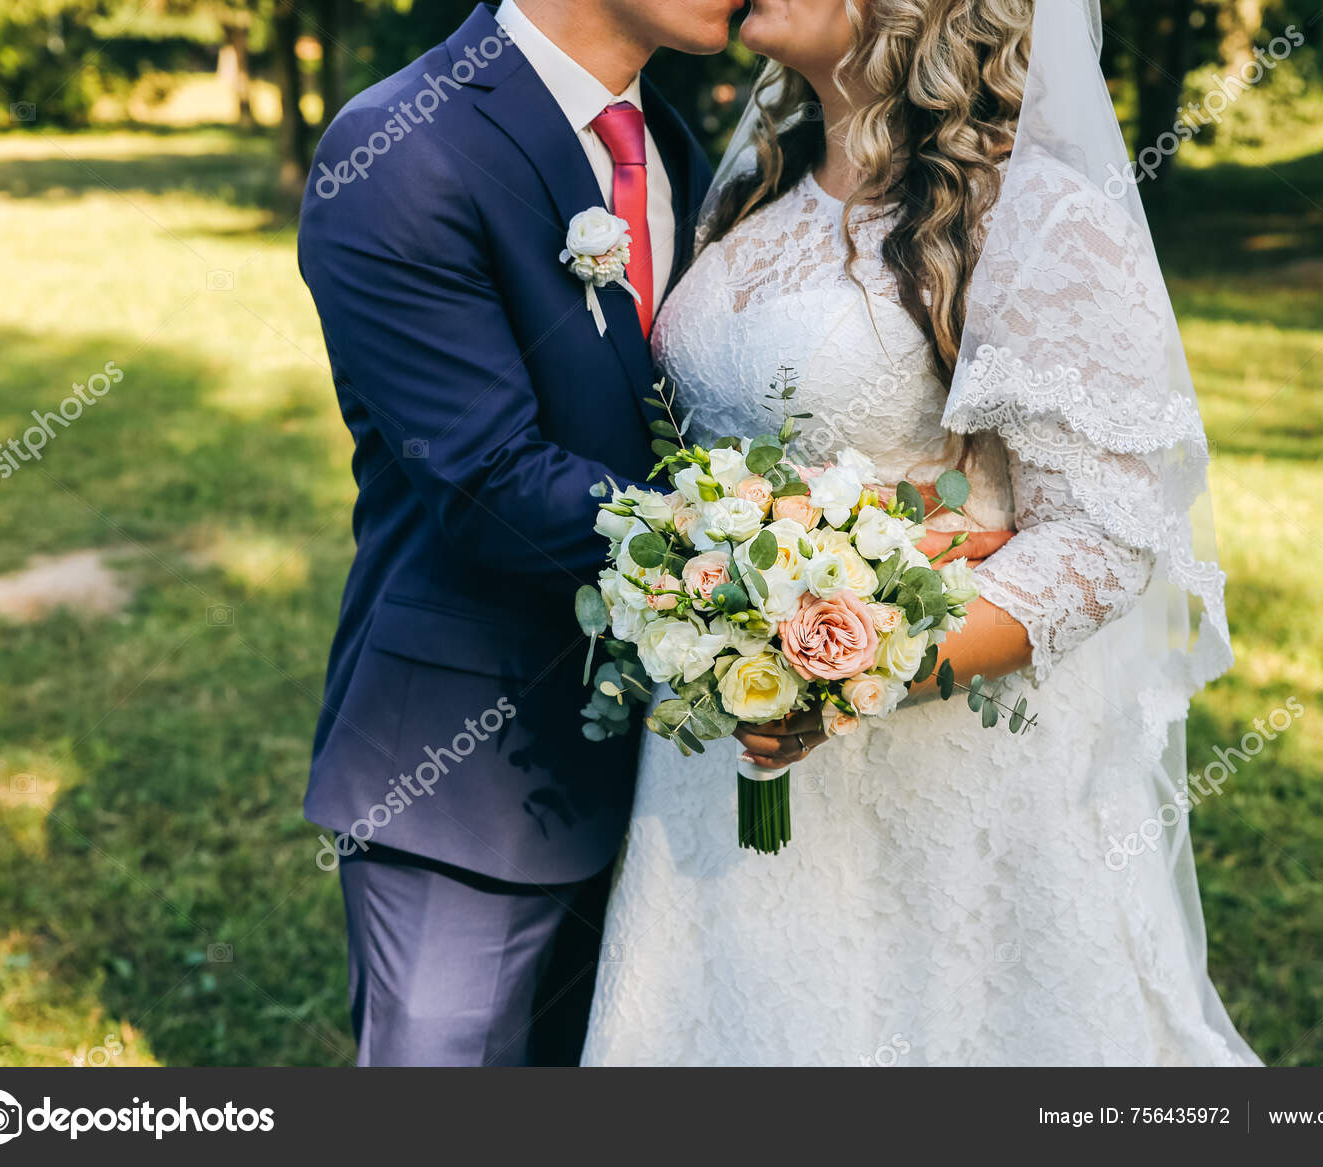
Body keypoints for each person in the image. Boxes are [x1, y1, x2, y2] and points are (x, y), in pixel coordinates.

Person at [581, 0, 1261, 1066]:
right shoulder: (755, 190)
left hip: (918, 759)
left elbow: (1102, 534)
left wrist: (848, 667)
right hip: (718, 754)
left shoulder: (1035, 217)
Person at [296, 0, 736, 1065]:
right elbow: (486, 478)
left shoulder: (673, 144)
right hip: (471, 767)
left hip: (668, 766)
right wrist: (760, 566)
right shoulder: (403, 143)